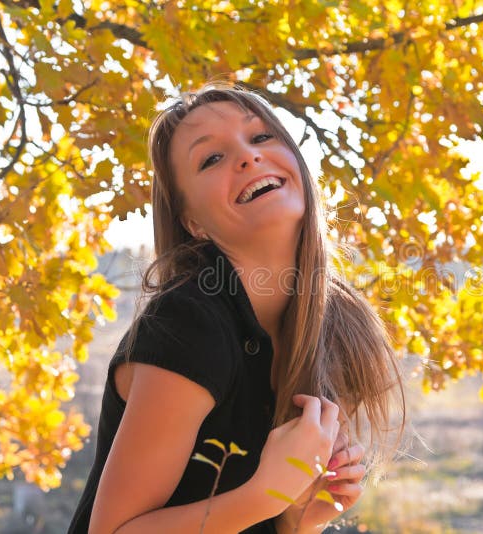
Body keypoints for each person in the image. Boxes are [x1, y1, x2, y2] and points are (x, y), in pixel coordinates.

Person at [68, 83, 405, 533]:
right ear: (193, 222)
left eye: (261, 136)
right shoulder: (189, 323)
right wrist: (266, 495)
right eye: (211, 158)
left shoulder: (337, 325)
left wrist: (296, 521)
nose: (248, 157)